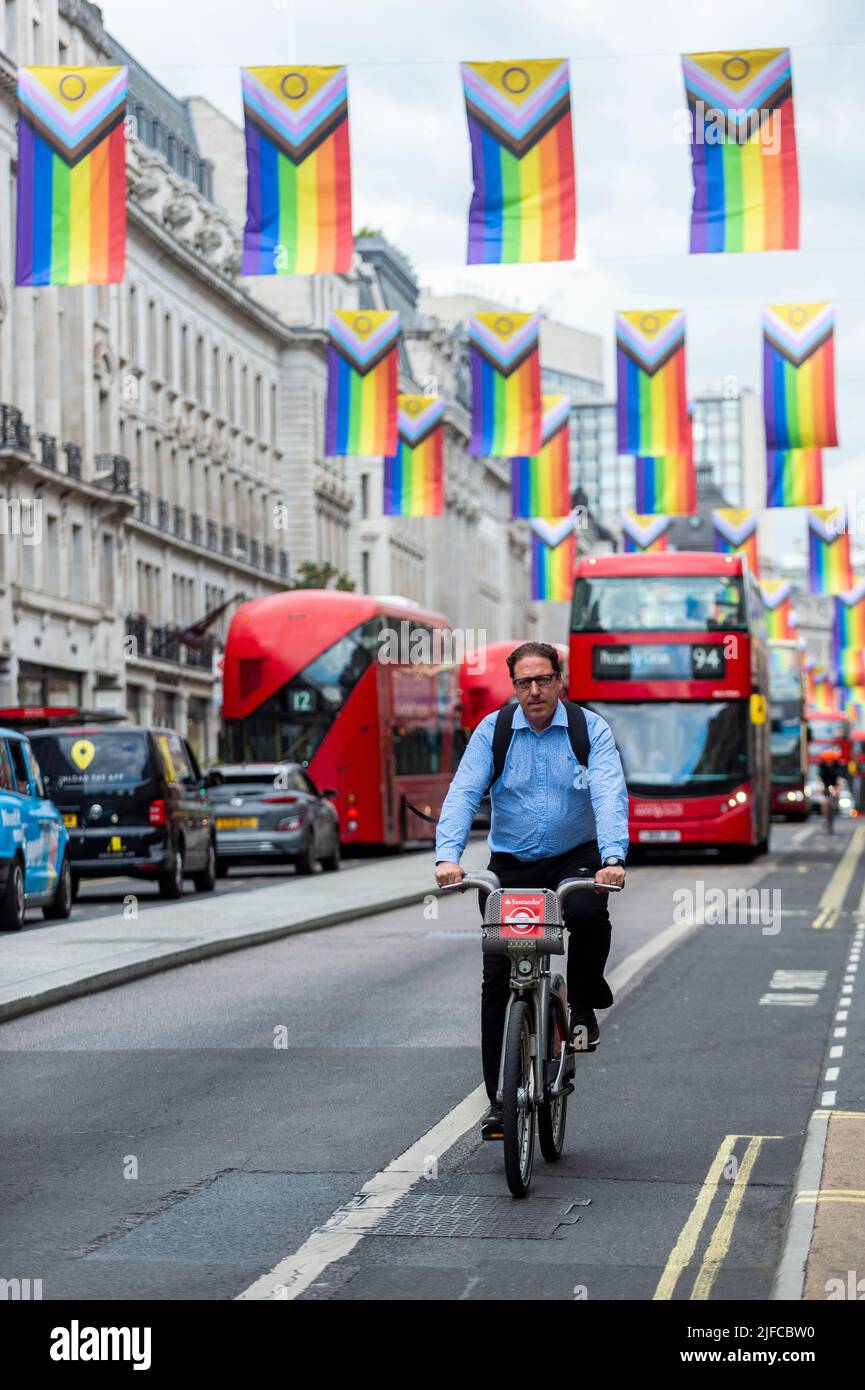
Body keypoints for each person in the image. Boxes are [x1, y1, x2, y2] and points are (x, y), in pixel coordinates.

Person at [434, 642, 628, 1140]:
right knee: (498, 976)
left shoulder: (590, 730)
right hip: (513, 864)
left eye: (543, 680)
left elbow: (609, 793)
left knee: (586, 913)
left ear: (559, 681)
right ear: (514, 686)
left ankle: (581, 1005)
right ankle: (500, 1100)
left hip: (576, 857)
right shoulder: (493, 732)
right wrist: (447, 857)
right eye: (525, 682)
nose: (535, 690)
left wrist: (611, 860)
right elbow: (463, 792)